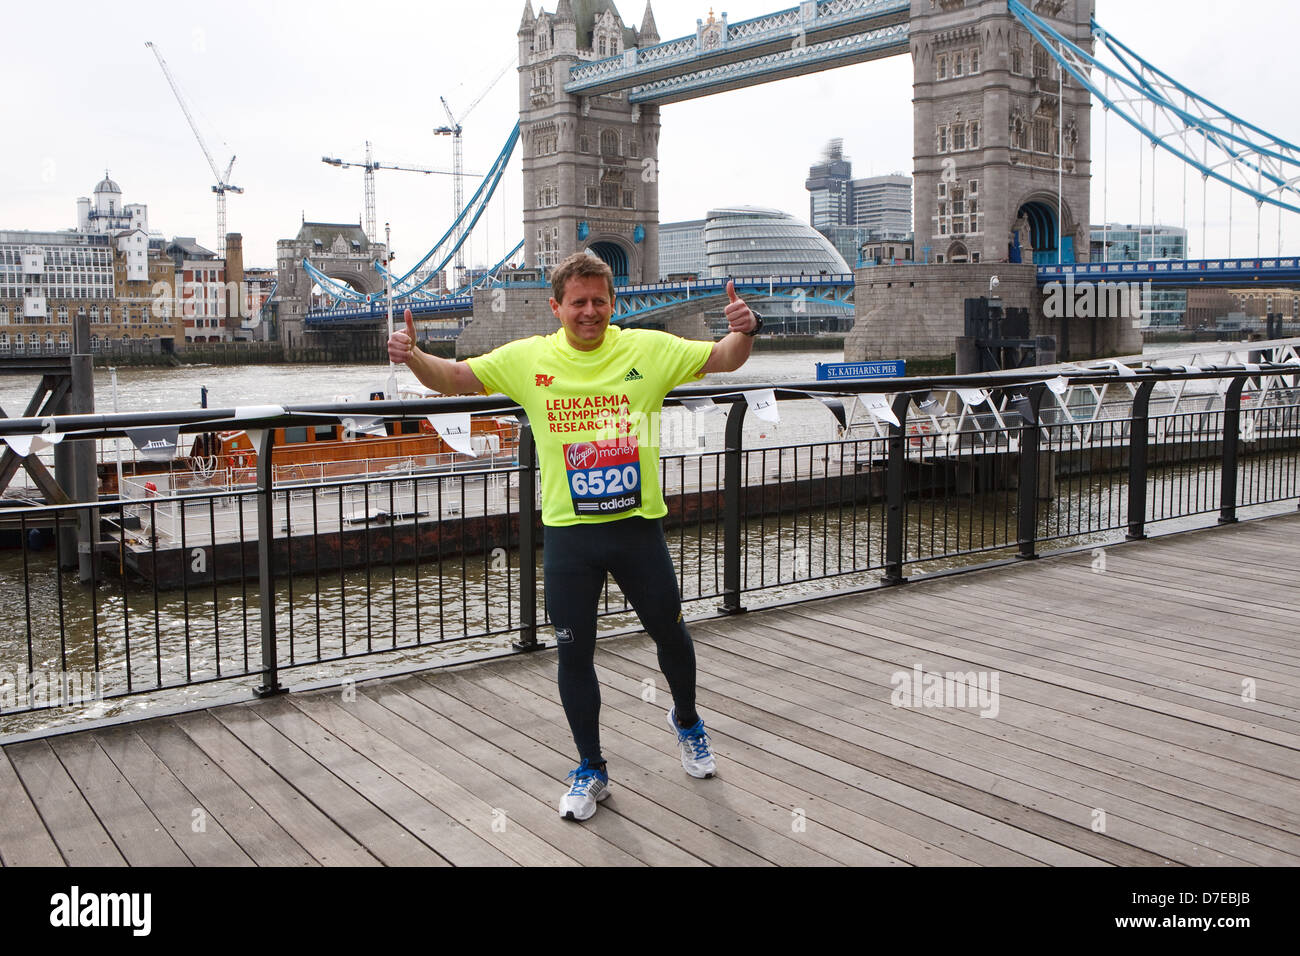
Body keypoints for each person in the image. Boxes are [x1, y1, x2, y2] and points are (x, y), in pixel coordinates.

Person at [387, 251, 761, 821]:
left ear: (614, 304)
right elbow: (459, 378)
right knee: (573, 653)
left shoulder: (647, 349)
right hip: (569, 536)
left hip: (637, 528)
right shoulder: (529, 359)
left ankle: (686, 719)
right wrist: (413, 356)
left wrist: (745, 330)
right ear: (557, 306)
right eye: (578, 302)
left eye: (599, 302)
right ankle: (591, 767)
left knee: (670, 631)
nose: (590, 312)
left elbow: (724, 360)